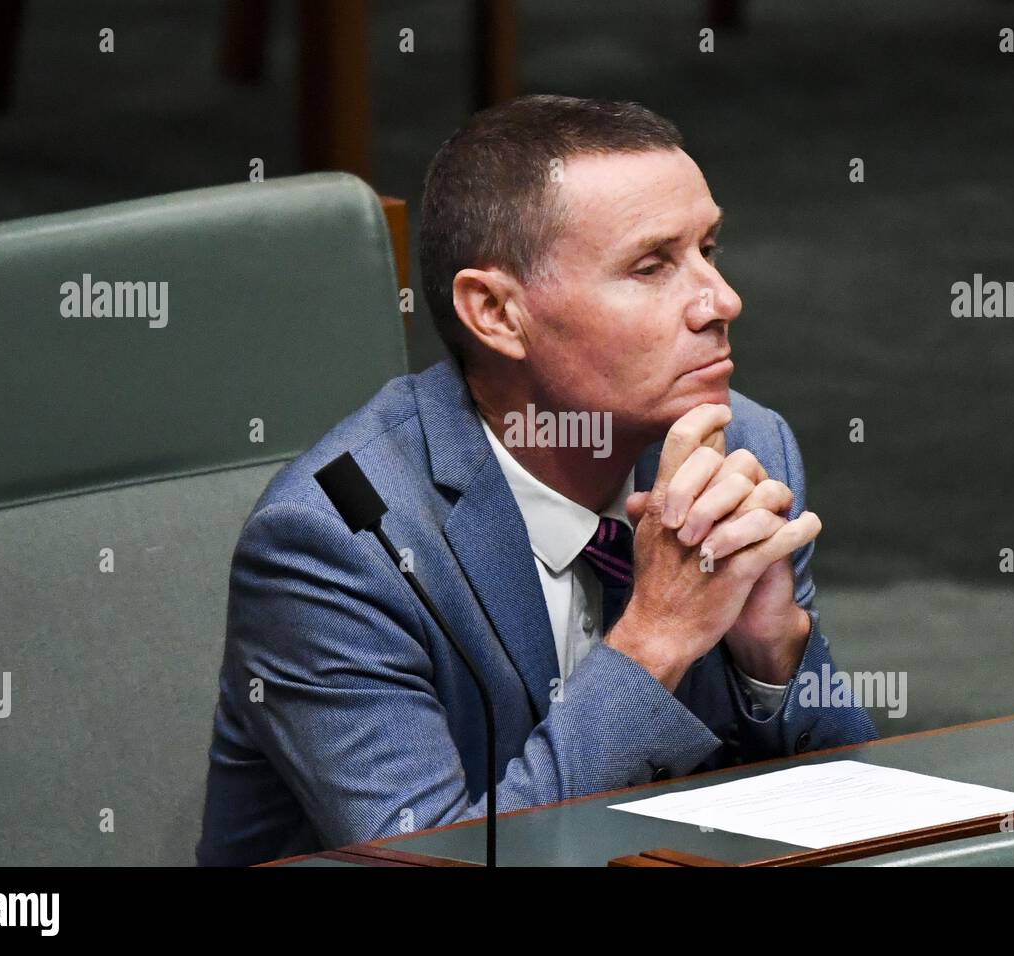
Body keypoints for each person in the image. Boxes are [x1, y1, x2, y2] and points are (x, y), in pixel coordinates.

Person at [196, 94, 877, 866]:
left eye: (709, 250)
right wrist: (654, 639)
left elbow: (858, 830)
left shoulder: (744, 447)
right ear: (494, 312)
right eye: (651, 266)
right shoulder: (339, 545)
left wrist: (775, 657)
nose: (722, 301)